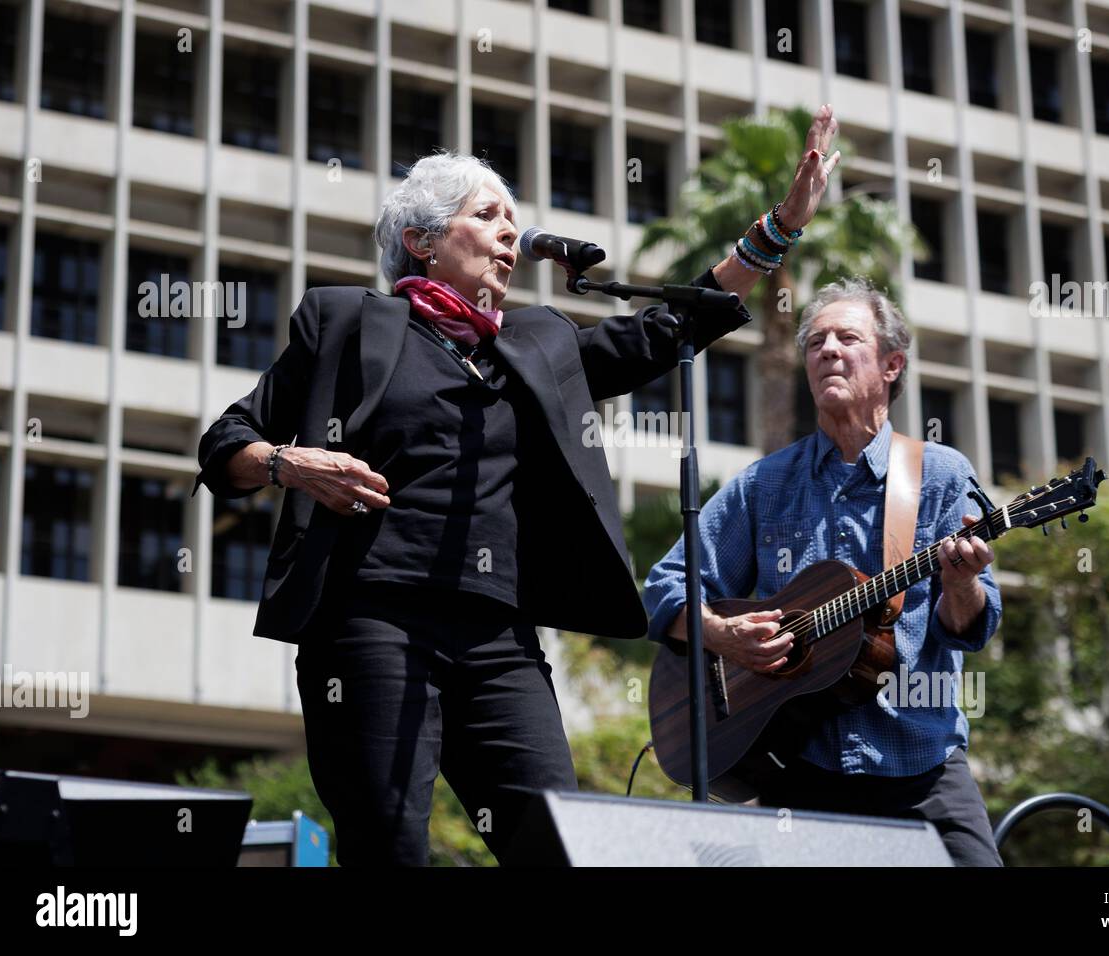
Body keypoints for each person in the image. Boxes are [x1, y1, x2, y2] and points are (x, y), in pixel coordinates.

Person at [192, 106, 845, 865]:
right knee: (388, 845)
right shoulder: (345, 322)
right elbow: (225, 444)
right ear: (423, 241)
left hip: (499, 635)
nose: (512, 232)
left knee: (561, 844)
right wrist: (292, 463)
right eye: (488, 215)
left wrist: (781, 228)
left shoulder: (534, 344)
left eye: (515, 218)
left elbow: (669, 329)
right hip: (371, 621)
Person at [642, 277, 1005, 866]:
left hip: (920, 767)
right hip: (798, 768)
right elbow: (665, 586)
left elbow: (971, 628)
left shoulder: (937, 474)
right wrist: (724, 634)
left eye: (847, 337)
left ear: (892, 364)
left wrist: (961, 583)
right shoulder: (765, 484)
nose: (828, 350)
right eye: (815, 341)